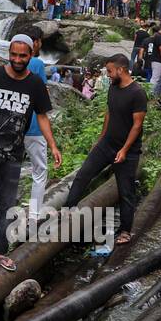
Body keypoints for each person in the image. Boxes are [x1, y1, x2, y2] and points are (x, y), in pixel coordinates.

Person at [0, 35, 61, 270]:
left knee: (7, 204)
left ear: (31, 55)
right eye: (14, 55)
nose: (18, 59)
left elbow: (42, 116)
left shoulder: (35, 84)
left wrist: (52, 145)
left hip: (13, 154)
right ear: (9, 53)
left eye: (23, 55)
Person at [64, 54, 147, 246]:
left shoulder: (137, 93)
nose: (108, 75)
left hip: (127, 151)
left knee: (126, 191)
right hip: (107, 144)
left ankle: (125, 231)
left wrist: (125, 149)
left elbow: (137, 125)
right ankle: (67, 210)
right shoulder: (113, 87)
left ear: (121, 69)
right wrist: (100, 139)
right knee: (83, 175)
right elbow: (109, 113)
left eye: (110, 71)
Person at [22, 27, 53, 219]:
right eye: (40, 41)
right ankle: (34, 215)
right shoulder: (37, 64)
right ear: (35, 42)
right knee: (40, 172)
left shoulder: (13, 63)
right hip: (34, 125)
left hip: (15, 126)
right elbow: (43, 94)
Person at [147, 21, 161, 91]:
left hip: (155, 60)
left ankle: (152, 93)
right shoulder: (160, 36)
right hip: (158, 60)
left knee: (155, 78)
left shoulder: (157, 35)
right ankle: (151, 94)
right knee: (155, 78)